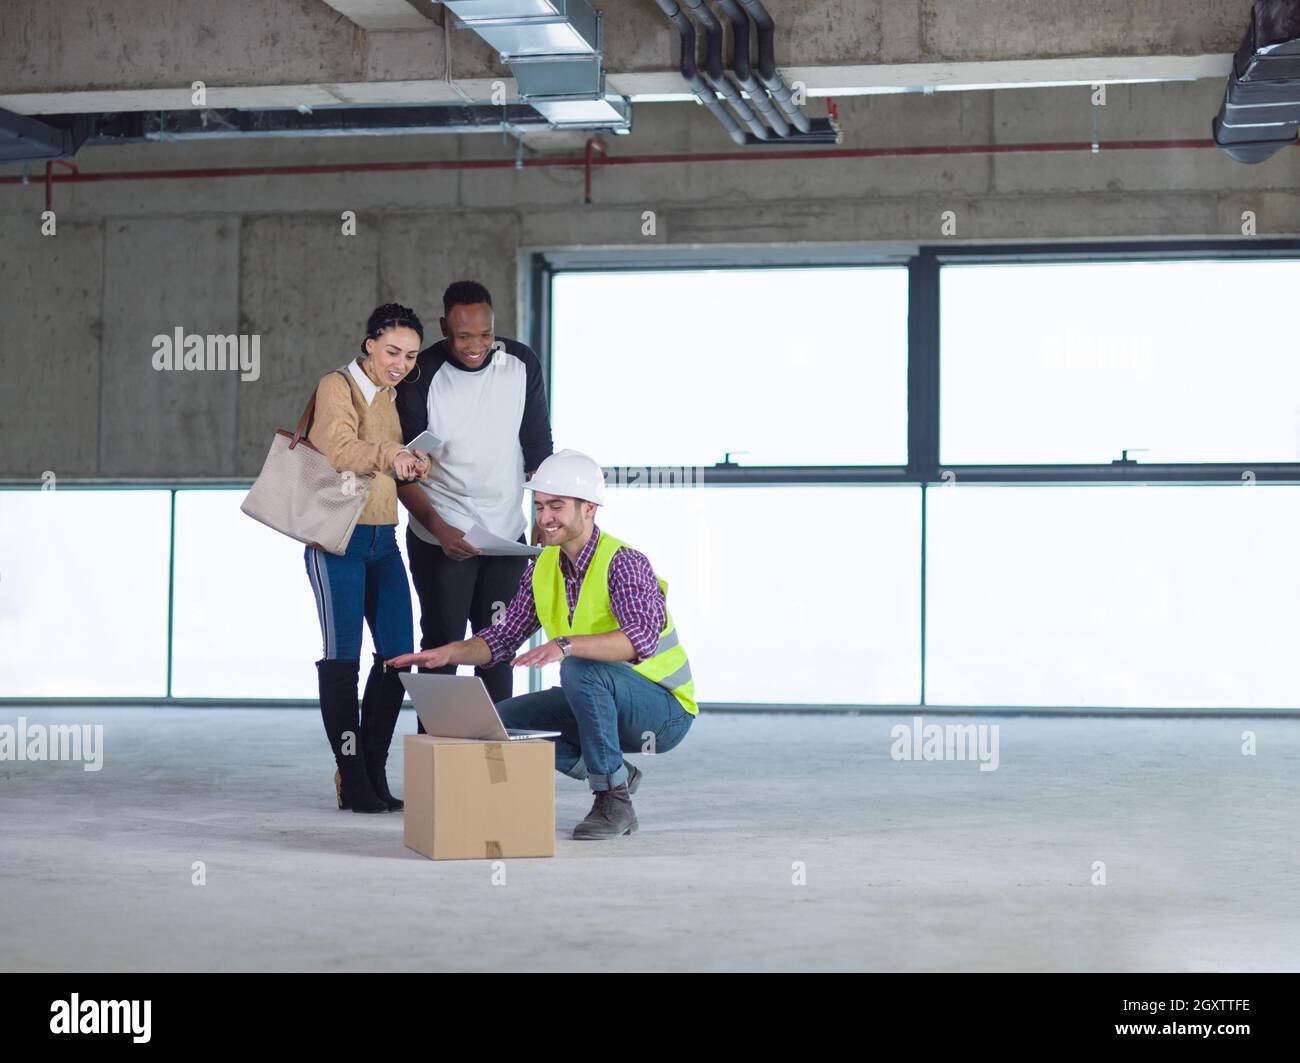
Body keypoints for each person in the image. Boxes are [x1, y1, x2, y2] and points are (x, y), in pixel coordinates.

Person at [388, 450, 696, 841]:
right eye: (539, 506)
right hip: (600, 696)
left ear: (589, 508)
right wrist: (448, 653)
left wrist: (566, 645)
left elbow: (642, 639)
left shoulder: (624, 563)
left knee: (579, 669)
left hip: (663, 710)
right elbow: (501, 639)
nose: (545, 517)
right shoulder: (544, 566)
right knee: (496, 723)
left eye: (557, 506)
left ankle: (613, 799)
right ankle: (613, 767)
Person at [395, 280, 552, 712]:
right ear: (445, 327)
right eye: (464, 336)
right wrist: (442, 531)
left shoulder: (520, 362)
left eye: (485, 334)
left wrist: (542, 517)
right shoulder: (421, 375)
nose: (476, 345)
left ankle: (492, 767)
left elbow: (538, 445)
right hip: (442, 533)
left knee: (497, 644)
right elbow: (403, 472)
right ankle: (438, 758)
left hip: (505, 535)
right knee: (442, 646)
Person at [305, 303, 430, 814]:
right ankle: (352, 774)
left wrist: (416, 460)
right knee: (343, 659)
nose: (400, 362)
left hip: (384, 539)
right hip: (337, 539)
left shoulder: (391, 396)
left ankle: (374, 769)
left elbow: (388, 459)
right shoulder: (337, 386)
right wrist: (389, 455)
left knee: (398, 656)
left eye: (411, 355)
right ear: (370, 345)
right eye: (392, 351)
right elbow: (339, 448)